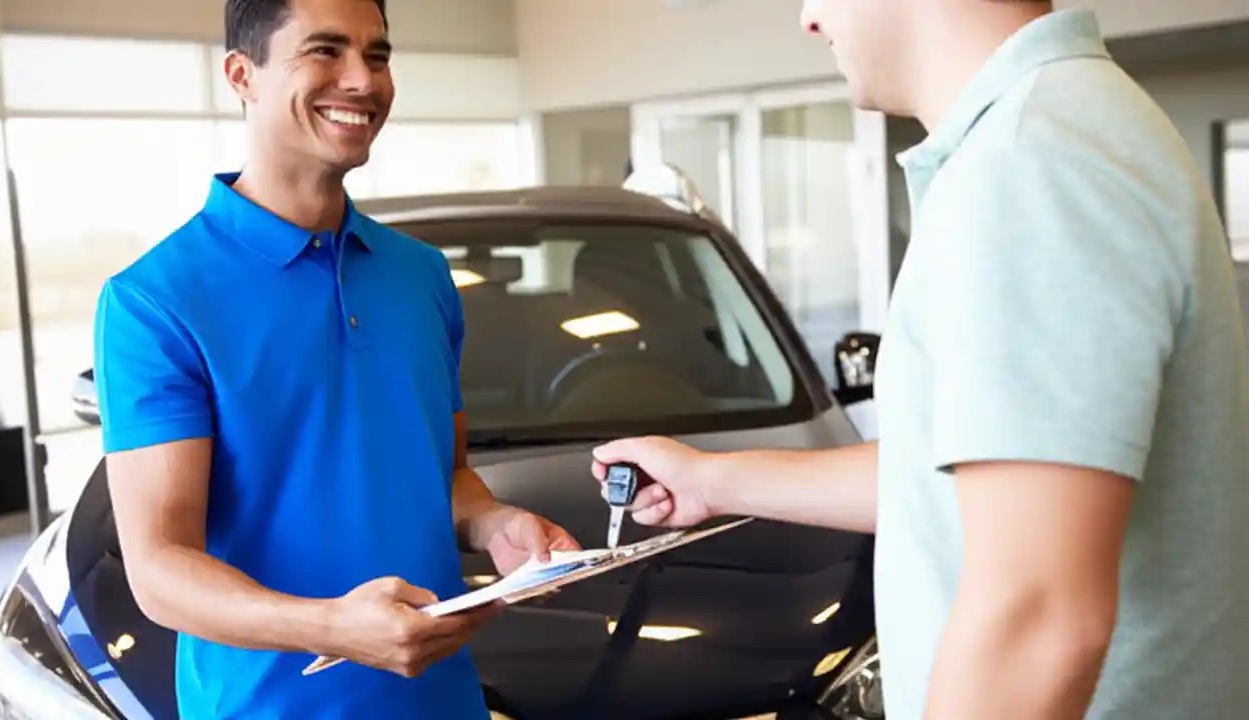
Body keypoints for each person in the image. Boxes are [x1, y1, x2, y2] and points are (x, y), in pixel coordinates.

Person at [593, 1, 1249, 718]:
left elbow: (1035, 616)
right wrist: (713, 480)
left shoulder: (1029, 165)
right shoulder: (1062, 128)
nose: (809, 19)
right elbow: (959, 484)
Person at [92, 0, 578, 717]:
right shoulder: (153, 301)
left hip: (441, 701)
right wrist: (332, 629)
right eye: (325, 51)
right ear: (241, 74)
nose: (363, 80)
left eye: (377, 56)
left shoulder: (420, 275)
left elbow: (445, 476)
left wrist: (496, 524)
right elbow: (161, 569)